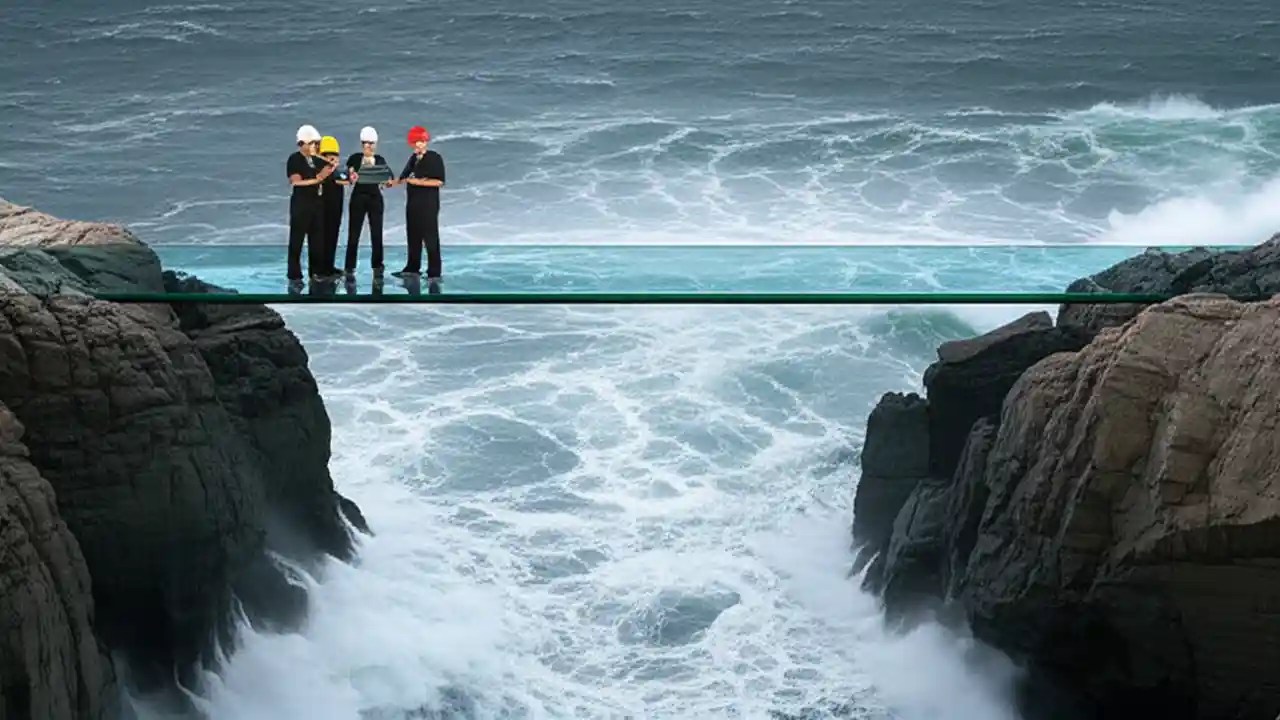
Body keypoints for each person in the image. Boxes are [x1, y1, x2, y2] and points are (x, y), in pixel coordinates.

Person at [394, 125, 446, 281]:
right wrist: (391, 183)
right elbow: (403, 177)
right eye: (415, 142)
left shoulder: (434, 157)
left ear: (425, 141)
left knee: (430, 237)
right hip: (413, 204)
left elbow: (439, 182)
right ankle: (412, 267)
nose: (417, 145)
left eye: (420, 141)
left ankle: (434, 272)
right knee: (413, 235)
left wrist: (418, 182)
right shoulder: (413, 158)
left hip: (428, 204)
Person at [285, 125, 334, 284]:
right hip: (301, 205)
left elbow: (331, 168)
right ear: (302, 143)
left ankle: (316, 272)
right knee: (297, 240)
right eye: (312, 143)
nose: (315, 146)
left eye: (316, 143)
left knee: (317, 240)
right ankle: (294, 275)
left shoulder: (314, 160)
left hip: (316, 204)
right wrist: (317, 179)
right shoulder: (295, 159)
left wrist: (326, 161)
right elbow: (296, 182)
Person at [343, 126, 393, 277]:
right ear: (362, 144)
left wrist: (387, 181)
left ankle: (378, 266)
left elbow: (389, 176)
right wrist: (350, 176)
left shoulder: (380, 160)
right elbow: (347, 173)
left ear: (375, 144)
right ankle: (349, 267)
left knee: (376, 234)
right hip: (358, 197)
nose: (369, 146)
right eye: (366, 143)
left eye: (371, 143)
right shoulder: (355, 158)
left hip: (375, 199)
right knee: (354, 234)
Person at [317, 135, 350, 277]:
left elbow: (346, 180)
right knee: (323, 235)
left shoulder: (338, 172)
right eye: (329, 158)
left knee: (333, 234)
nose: (333, 161)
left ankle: (329, 266)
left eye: (335, 157)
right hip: (323, 207)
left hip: (336, 207)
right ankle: (321, 268)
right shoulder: (321, 173)